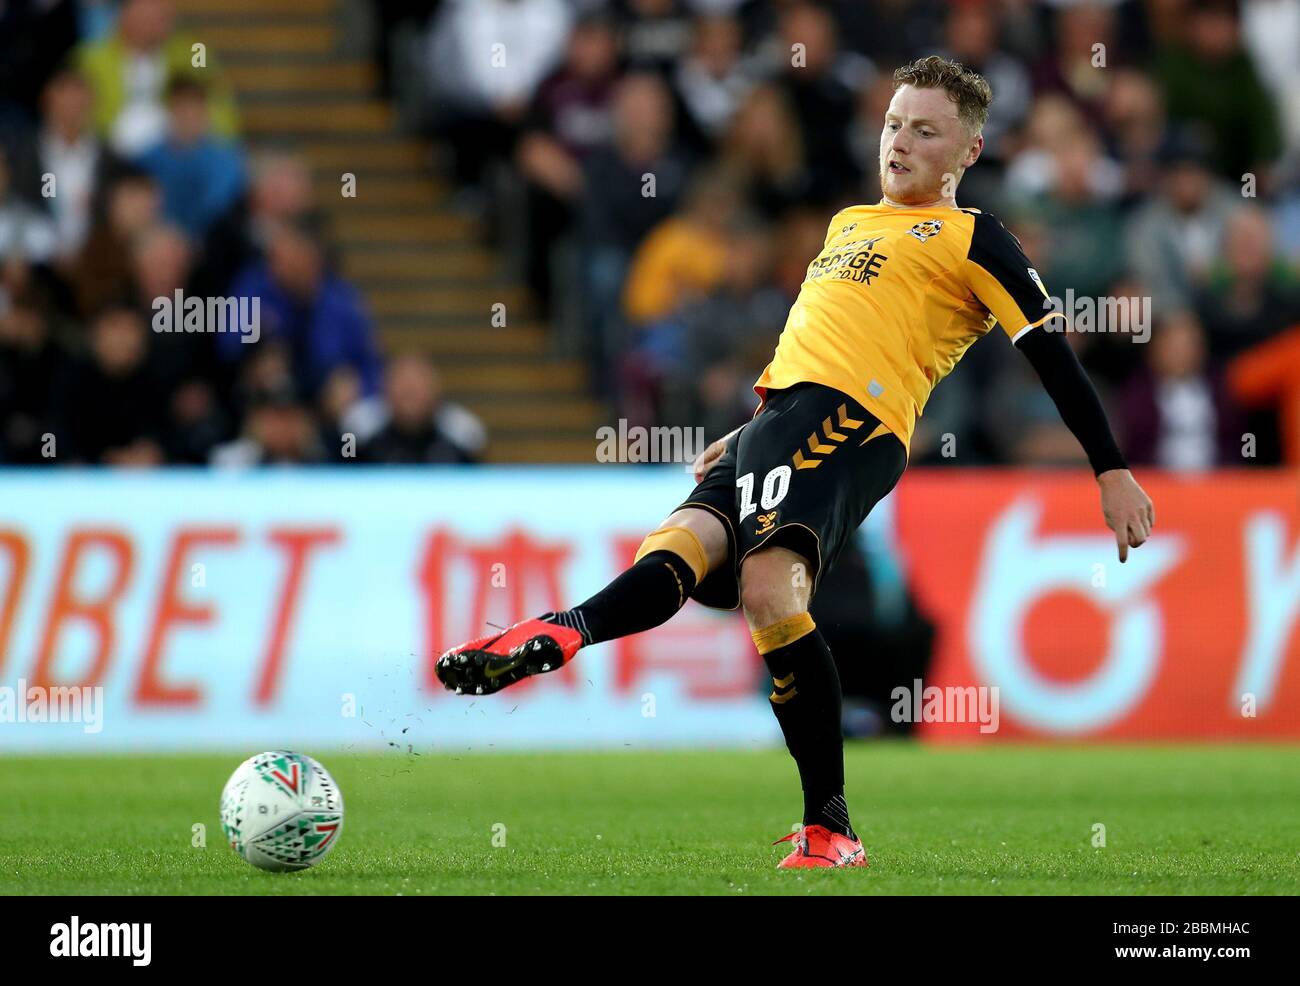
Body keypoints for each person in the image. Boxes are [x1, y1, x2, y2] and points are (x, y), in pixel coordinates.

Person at [434, 56, 1156, 870]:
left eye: (926, 131)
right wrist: (754, 426)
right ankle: (564, 631)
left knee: (769, 588)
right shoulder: (847, 223)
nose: (901, 142)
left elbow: (1052, 355)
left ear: (970, 151)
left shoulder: (974, 237)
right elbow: (818, 334)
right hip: (774, 420)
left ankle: (829, 825)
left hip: (857, 421)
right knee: (680, 551)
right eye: (893, 124)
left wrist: (1110, 467)